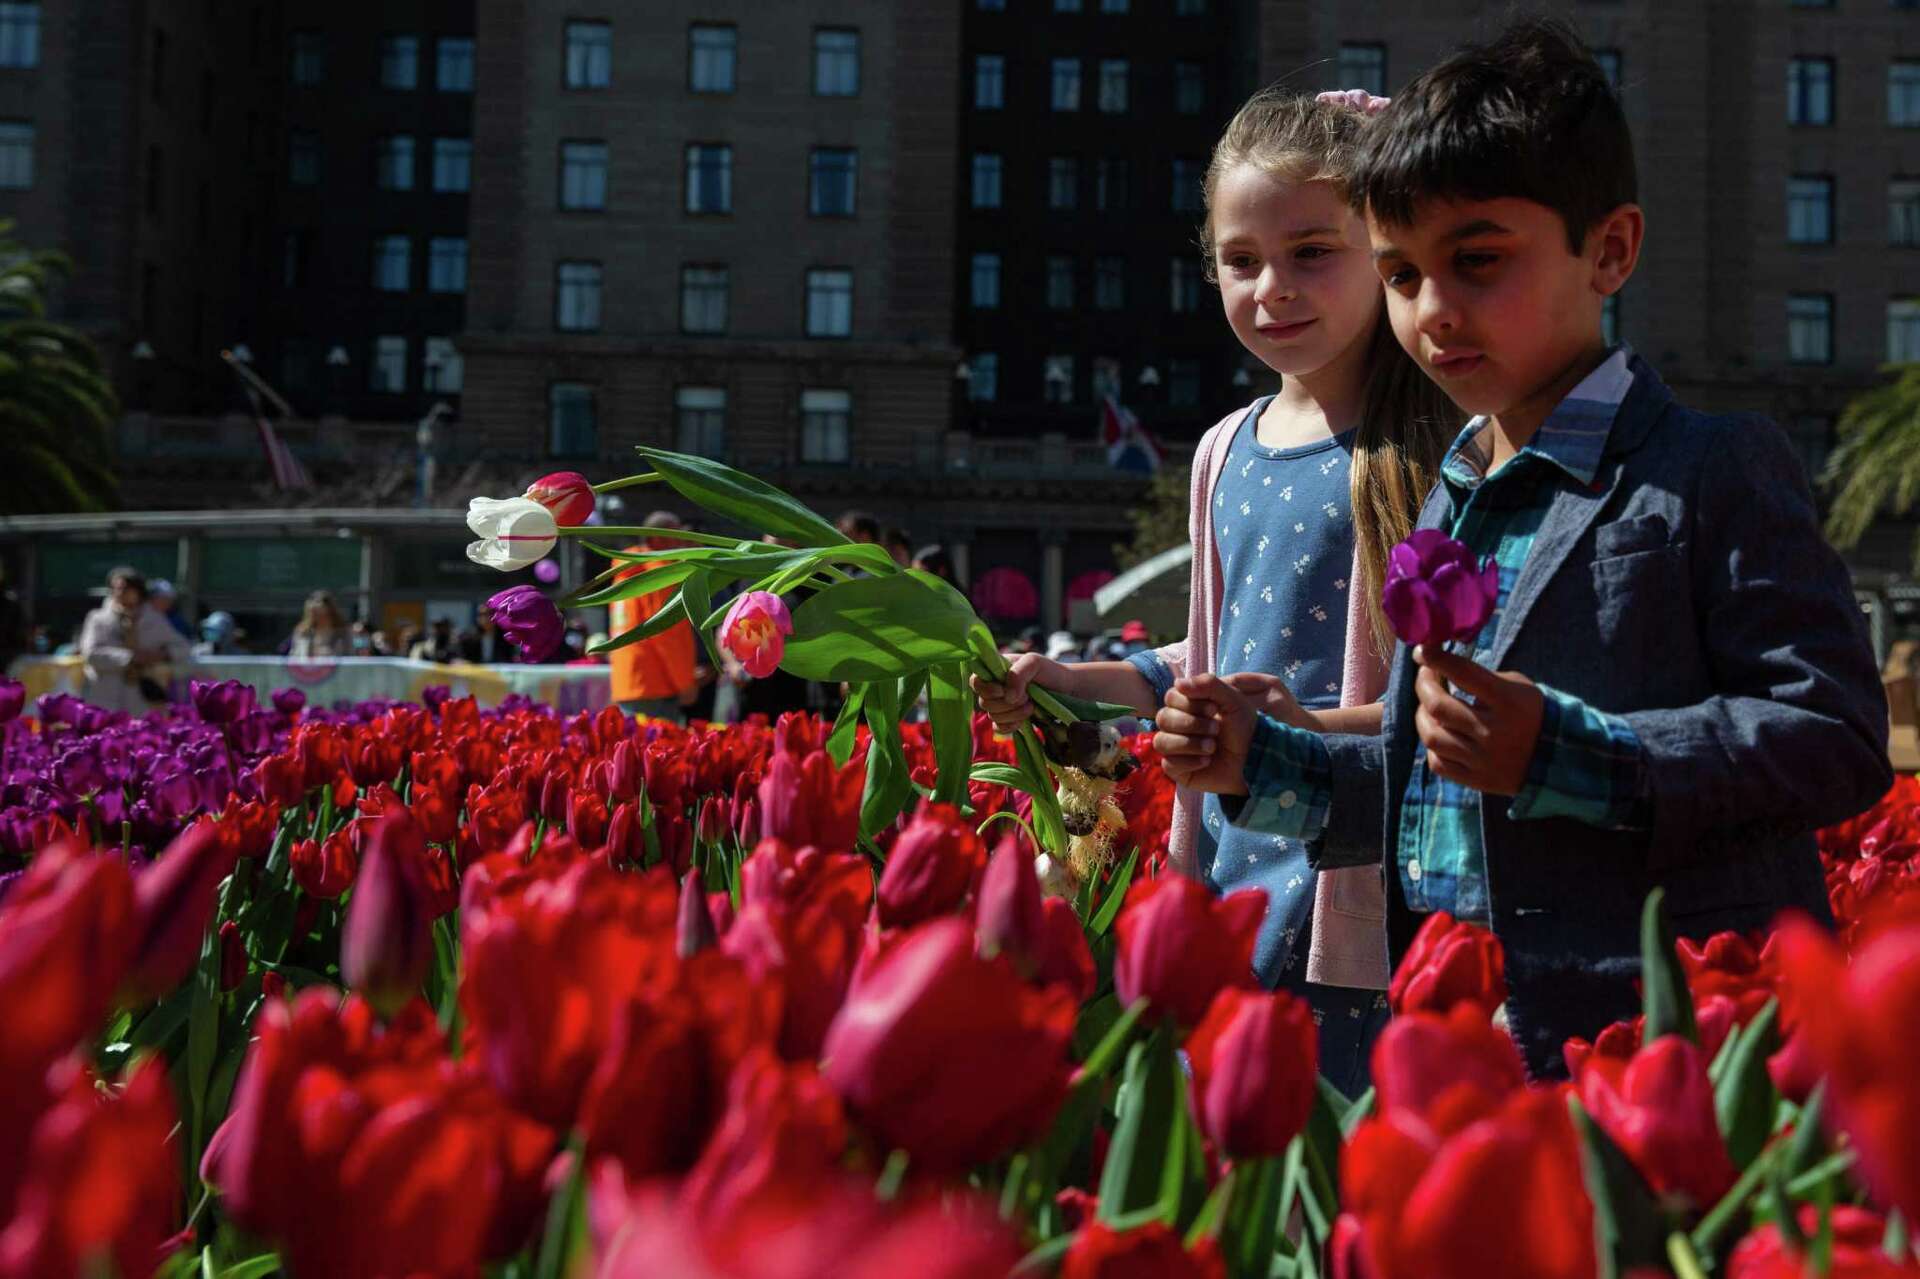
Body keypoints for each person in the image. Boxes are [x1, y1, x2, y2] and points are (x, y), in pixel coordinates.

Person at [1153, 20, 1893, 1079]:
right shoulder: (1448, 493)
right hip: (1463, 1042)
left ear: (1611, 249)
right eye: (1402, 275)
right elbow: (1426, 782)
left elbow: (1835, 732)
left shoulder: (1707, 468)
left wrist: (1572, 754)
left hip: (1660, 1044)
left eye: (1479, 261)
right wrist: (1262, 764)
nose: (1434, 313)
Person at [974, 88, 1459, 1094]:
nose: (1271, 287)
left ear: (1385, 249)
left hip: (1354, 877)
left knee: (1329, 1152)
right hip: (1231, 863)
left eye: (1312, 252)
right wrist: (1067, 676)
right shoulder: (1219, 452)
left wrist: (1307, 727)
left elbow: (1456, 695)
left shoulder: (1436, 443)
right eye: (1242, 261)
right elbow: (1205, 656)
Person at [607, 511, 701, 722]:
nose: (681, 541)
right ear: (657, 538)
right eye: (676, 535)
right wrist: (685, 683)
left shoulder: (626, 572)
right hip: (657, 683)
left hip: (628, 680)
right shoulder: (659, 574)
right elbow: (667, 633)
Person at [78, 567, 191, 713]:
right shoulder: (98, 619)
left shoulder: (154, 619)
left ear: (138, 591)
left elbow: (183, 648)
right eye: (115, 589)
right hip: (104, 697)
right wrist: (129, 657)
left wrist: (162, 654)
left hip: (141, 701)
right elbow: (90, 654)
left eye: (125, 589)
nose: (119, 593)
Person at [289, 591, 352, 658]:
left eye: (318, 612)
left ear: (330, 611)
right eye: (312, 612)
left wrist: (330, 654)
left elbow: (350, 656)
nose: (315, 616)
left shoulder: (343, 632)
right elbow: (293, 656)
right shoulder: (303, 631)